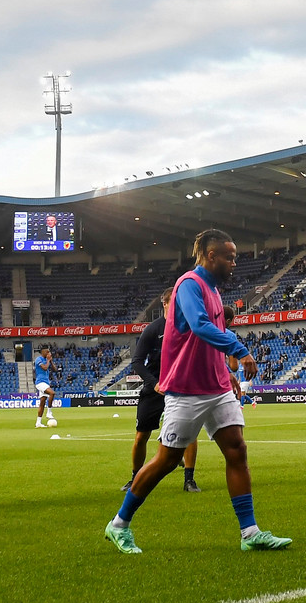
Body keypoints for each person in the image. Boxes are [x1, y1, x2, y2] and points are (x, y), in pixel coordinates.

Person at [104, 229, 290, 554]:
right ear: (209, 255)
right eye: (229, 257)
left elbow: (210, 338)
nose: (234, 263)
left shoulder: (215, 291)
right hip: (187, 389)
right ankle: (118, 525)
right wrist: (240, 349)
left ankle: (250, 533)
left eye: (235, 257)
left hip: (216, 386)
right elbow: (199, 326)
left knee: (237, 450)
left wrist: (225, 371)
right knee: (166, 459)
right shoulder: (190, 284)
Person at [125, 289, 201, 493]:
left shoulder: (188, 327)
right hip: (155, 390)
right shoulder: (153, 329)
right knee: (141, 436)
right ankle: (135, 477)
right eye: (175, 301)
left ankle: (189, 479)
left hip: (182, 389)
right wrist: (155, 382)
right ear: (165, 303)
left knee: (190, 435)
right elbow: (137, 362)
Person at [34, 348, 58, 428]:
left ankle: (38, 423)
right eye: (47, 351)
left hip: (46, 382)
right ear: (42, 352)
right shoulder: (38, 359)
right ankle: (49, 412)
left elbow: (55, 370)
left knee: (42, 402)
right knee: (52, 393)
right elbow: (44, 368)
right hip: (40, 382)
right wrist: (48, 360)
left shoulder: (47, 360)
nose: (48, 353)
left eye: (49, 351)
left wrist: (51, 361)